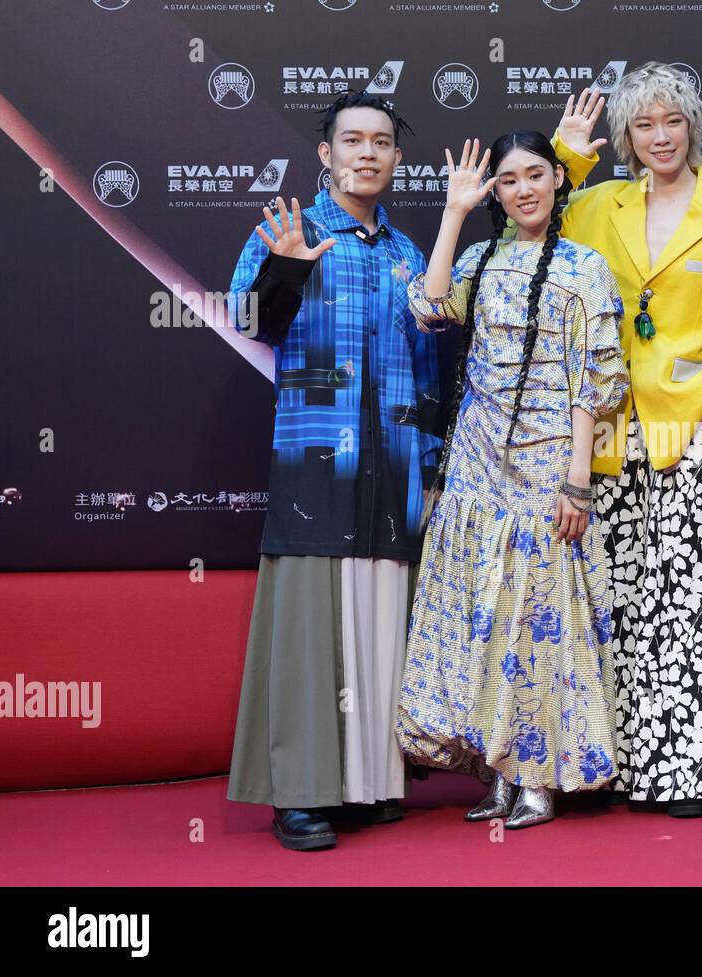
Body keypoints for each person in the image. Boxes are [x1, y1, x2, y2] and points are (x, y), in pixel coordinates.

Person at [542, 67, 702, 817]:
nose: (661, 136)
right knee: (627, 605)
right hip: (608, 431)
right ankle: (623, 767)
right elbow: (529, 232)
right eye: (644, 126)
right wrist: (567, 159)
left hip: (692, 432)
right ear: (626, 138)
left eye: (672, 121)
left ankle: (697, 774)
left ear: (693, 125)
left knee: (696, 607)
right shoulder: (594, 205)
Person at [226, 92, 441, 851]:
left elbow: (427, 370)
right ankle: (301, 793)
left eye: (382, 141)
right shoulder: (290, 232)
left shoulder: (410, 256)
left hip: (396, 469)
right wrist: (283, 272)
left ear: (397, 159)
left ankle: (368, 782)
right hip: (315, 462)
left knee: (382, 615)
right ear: (325, 154)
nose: (367, 152)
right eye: (352, 140)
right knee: (311, 623)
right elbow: (249, 326)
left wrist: (435, 466)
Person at [397, 132, 628, 830]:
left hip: (549, 465)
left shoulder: (587, 268)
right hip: (474, 464)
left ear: (559, 179)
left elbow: (598, 380)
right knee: (483, 617)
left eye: (535, 175)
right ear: (493, 192)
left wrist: (578, 480)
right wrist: (452, 212)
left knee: (536, 620)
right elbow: (430, 308)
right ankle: (495, 770)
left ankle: (540, 777)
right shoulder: (480, 256)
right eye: (507, 181)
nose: (523, 189)